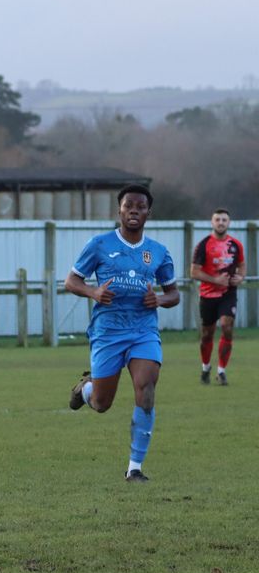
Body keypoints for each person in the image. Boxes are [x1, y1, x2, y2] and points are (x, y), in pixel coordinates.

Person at [65, 184, 180, 483]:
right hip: (108, 331)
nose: (134, 211)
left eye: (140, 207)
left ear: (148, 213)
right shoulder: (99, 244)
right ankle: (85, 389)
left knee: (146, 389)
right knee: (102, 404)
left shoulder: (158, 252)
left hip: (143, 330)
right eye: (129, 205)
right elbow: (71, 281)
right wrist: (93, 291)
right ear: (119, 209)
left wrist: (160, 300)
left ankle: (134, 468)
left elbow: (174, 294)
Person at [191, 208, 245, 385]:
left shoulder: (236, 244)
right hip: (207, 296)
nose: (221, 223)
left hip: (228, 294)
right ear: (212, 222)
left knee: (227, 326)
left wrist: (241, 277)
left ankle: (221, 371)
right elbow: (194, 272)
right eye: (217, 220)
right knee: (207, 335)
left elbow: (242, 265)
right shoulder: (204, 245)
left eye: (224, 220)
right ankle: (206, 367)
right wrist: (215, 279)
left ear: (229, 223)